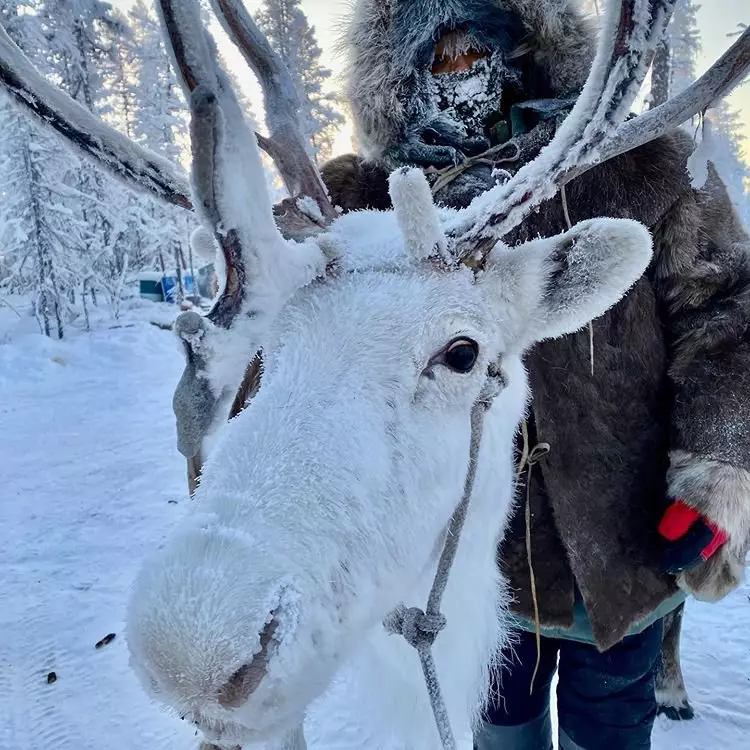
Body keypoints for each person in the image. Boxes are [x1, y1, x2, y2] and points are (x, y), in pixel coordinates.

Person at [316, 1, 750, 748]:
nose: (463, 74)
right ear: (400, 75)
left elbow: (728, 316)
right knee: (501, 735)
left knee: (609, 734)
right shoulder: (367, 204)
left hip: (621, 554)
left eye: (478, 47)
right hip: (470, 569)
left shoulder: (640, 165)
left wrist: (717, 470)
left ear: (526, 48)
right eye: (439, 58)